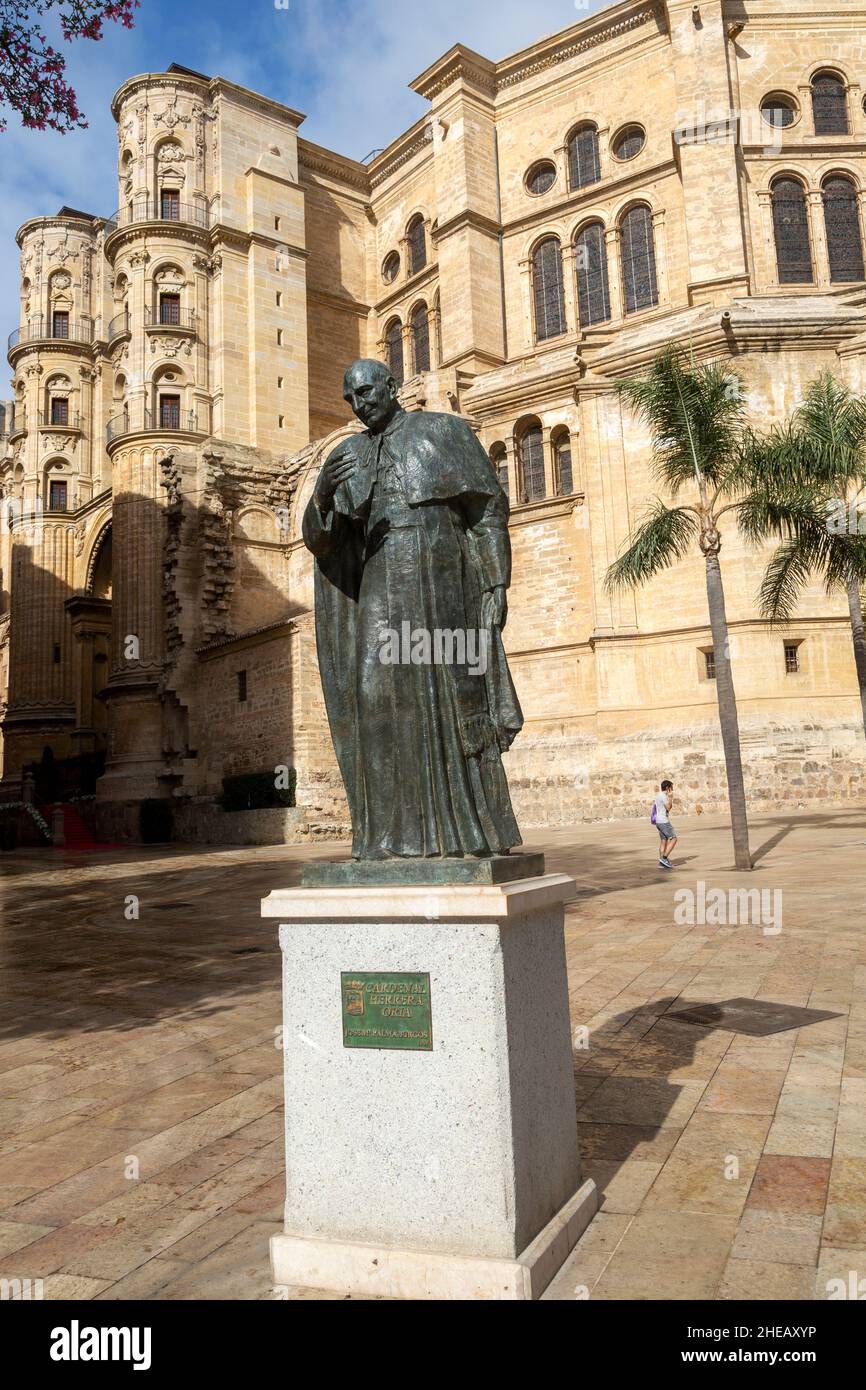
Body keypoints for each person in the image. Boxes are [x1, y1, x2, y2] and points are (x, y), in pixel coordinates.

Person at [302, 358, 524, 860]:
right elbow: (323, 541)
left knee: (452, 691)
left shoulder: (441, 430)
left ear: (391, 386)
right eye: (351, 399)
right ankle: (383, 836)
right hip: (381, 579)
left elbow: (487, 512)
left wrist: (495, 583)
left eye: (367, 393)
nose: (360, 405)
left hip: (440, 573)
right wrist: (321, 493)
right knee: (373, 695)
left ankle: (470, 832)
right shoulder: (348, 453)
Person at [653, 779, 677, 869]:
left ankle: (661, 863)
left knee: (664, 841)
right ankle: (664, 858)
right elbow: (668, 808)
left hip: (658, 821)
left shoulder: (658, 795)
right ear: (667, 788)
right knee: (674, 838)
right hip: (663, 821)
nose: (672, 789)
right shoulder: (663, 796)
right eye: (671, 788)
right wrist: (670, 798)